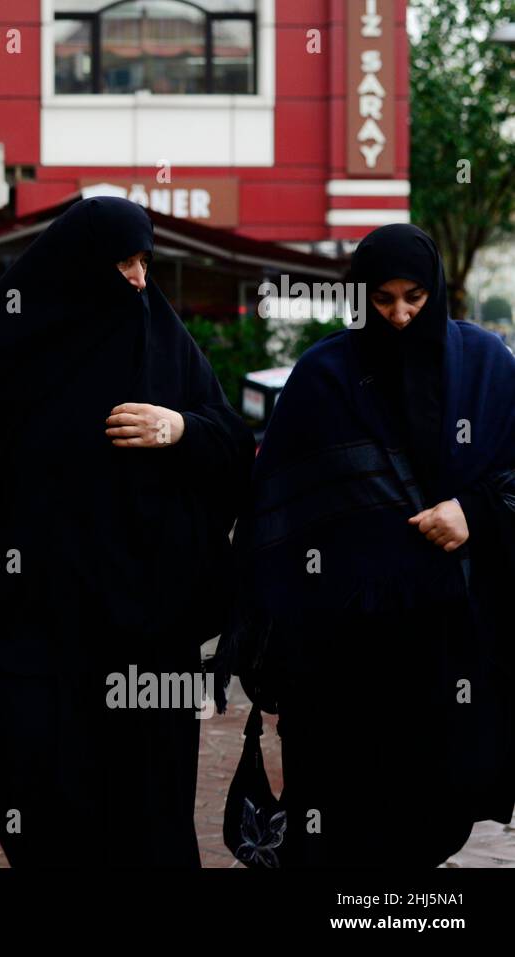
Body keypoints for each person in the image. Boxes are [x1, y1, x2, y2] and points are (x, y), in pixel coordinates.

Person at [0, 196, 256, 867]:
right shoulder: (5, 357)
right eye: (122, 261)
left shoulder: (164, 345)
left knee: (150, 838)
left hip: (147, 654)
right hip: (28, 656)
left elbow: (235, 455)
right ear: (78, 265)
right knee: (46, 833)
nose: (137, 279)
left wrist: (181, 430)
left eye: (144, 261)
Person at [223, 223, 515, 867]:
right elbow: (276, 508)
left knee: (433, 814)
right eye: (382, 300)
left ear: (437, 292)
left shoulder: (488, 368)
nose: (401, 315)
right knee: (341, 817)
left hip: (448, 648)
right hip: (340, 654)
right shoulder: (323, 377)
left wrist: (475, 511)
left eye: (415, 297)